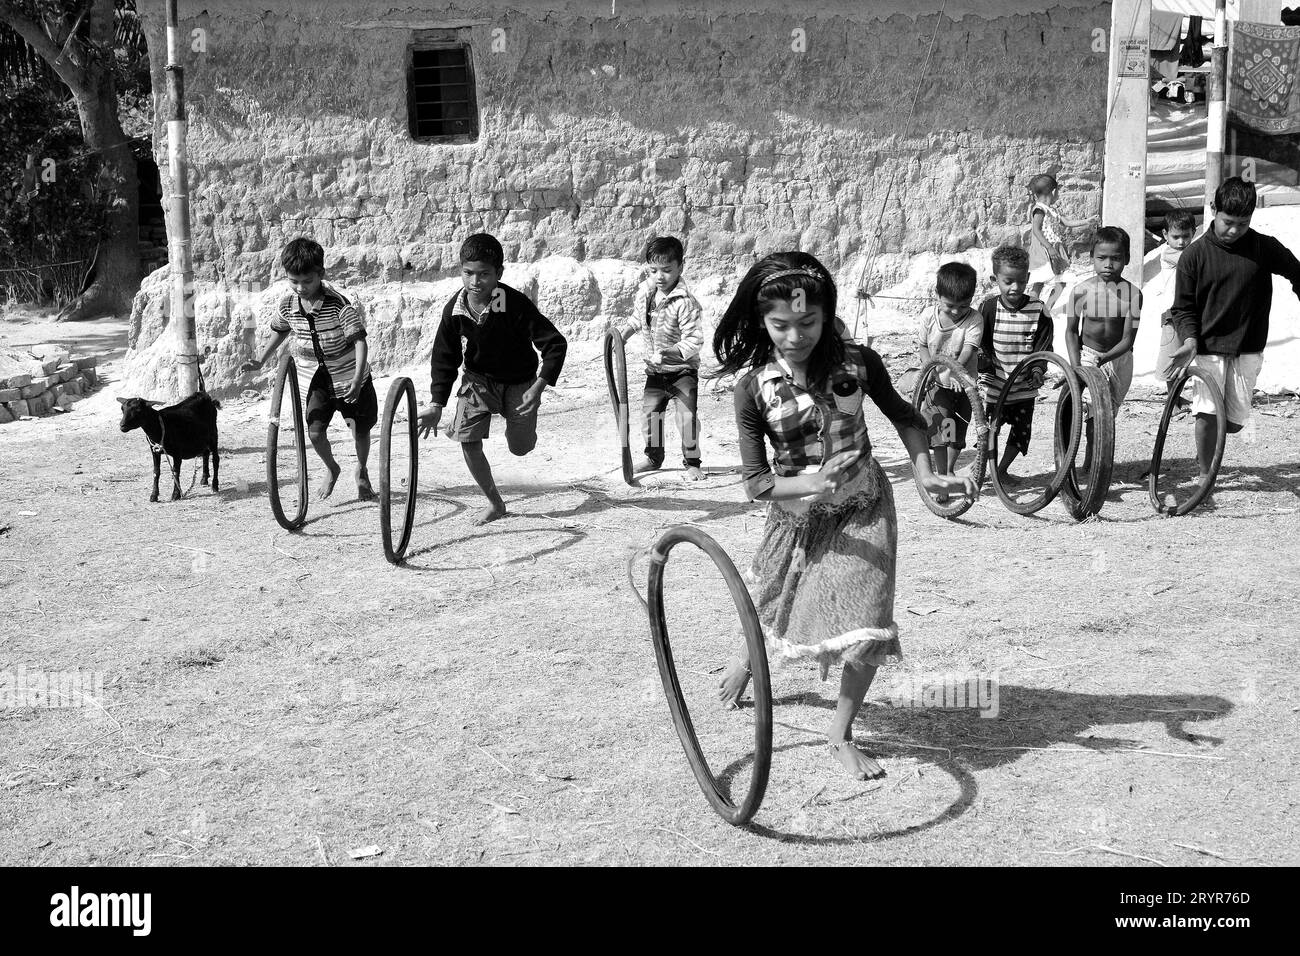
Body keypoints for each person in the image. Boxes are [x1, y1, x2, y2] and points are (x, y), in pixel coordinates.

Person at [712, 251, 977, 781]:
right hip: (797, 514)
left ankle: (840, 730)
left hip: (865, 506)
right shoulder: (753, 387)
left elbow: (905, 416)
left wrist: (925, 472)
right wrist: (809, 483)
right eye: (780, 325)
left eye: (807, 323)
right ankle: (752, 655)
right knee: (777, 602)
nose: (795, 336)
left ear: (827, 313)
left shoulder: (858, 363)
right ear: (762, 322)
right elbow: (756, 482)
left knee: (868, 620)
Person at [417, 234, 568, 524]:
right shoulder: (455, 310)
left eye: (484, 274)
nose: (475, 282)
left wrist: (539, 386)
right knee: (467, 440)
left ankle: (522, 429)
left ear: (499, 273)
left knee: (520, 447)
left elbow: (555, 344)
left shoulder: (513, 304)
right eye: (468, 273)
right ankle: (495, 502)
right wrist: (437, 403)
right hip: (477, 383)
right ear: (460, 271)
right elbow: (445, 359)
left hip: (520, 384)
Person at [1169, 177, 1300, 489]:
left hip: (1247, 347)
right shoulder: (1194, 255)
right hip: (1206, 347)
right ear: (1215, 210)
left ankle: (1218, 438)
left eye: (1242, 223)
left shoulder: (1263, 247)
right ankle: (1205, 475)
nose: (1233, 230)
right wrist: (1189, 340)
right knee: (1206, 412)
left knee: (1234, 423)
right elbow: (1183, 307)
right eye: (1228, 222)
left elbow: (1298, 273)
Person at [242, 237, 376, 501]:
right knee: (314, 432)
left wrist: (358, 377)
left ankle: (361, 469)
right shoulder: (288, 305)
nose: (300, 288)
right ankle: (332, 468)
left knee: (360, 429)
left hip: (349, 377)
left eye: (307, 281)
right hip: (316, 379)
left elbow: (360, 342)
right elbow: (280, 332)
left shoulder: (338, 305)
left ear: (321, 274)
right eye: (294, 281)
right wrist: (260, 360)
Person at [616, 236, 705, 479]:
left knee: (686, 419)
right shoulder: (646, 293)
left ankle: (693, 463)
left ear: (680, 268)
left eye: (667, 270)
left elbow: (694, 341)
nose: (660, 276)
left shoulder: (686, 303)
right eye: (654, 270)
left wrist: (668, 353)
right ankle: (653, 458)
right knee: (651, 416)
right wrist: (621, 337)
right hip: (655, 373)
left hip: (682, 373)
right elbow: (637, 320)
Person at [978, 246, 1054, 483]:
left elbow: (1043, 347)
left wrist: (1038, 370)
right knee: (990, 431)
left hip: (1024, 388)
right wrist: (984, 365)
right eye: (1008, 281)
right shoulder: (989, 308)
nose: (1015, 288)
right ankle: (984, 468)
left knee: (1021, 434)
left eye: (1021, 282)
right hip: (996, 387)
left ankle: (1001, 470)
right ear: (995, 279)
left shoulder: (1039, 309)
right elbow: (982, 344)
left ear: (1028, 279)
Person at [915, 261, 983, 499]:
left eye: (963, 306)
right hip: (937, 385)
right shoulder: (928, 316)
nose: (956, 311)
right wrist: (930, 369)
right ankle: (942, 475)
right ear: (938, 296)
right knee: (942, 432)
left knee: (957, 434)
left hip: (963, 385)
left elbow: (968, 350)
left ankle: (951, 469)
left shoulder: (974, 320)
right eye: (950, 305)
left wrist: (955, 372)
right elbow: (923, 346)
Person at [1065, 226, 1142, 417]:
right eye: (1101, 258)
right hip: (1089, 356)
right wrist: (1077, 366)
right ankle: (1069, 443)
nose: (1108, 264)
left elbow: (1128, 340)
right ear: (1092, 257)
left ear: (1127, 259)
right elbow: (1071, 332)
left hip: (1119, 359)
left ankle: (1099, 447)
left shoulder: (1133, 295)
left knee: (1106, 416)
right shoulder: (1080, 292)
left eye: (1115, 258)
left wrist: (1105, 359)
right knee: (1091, 409)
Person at [1146, 210, 1197, 412]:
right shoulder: (1169, 253)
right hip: (1172, 313)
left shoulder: (1192, 251)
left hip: (1189, 312)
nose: (1181, 241)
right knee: (1172, 356)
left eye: (1186, 236)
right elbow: (1194, 263)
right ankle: (1172, 402)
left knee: (1183, 357)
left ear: (1194, 232)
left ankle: (1176, 397)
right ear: (1166, 235)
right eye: (1176, 237)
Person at [1025, 173, 1098, 308]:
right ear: (1053, 191)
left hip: (1054, 248)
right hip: (1044, 250)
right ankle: (1030, 310)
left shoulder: (1051, 210)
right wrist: (1049, 248)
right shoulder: (1039, 210)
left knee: (1061, 281)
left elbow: (1067, 222)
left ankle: (1046, 310)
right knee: (1039, 282)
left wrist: (1086, 221)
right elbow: (1036, 230)